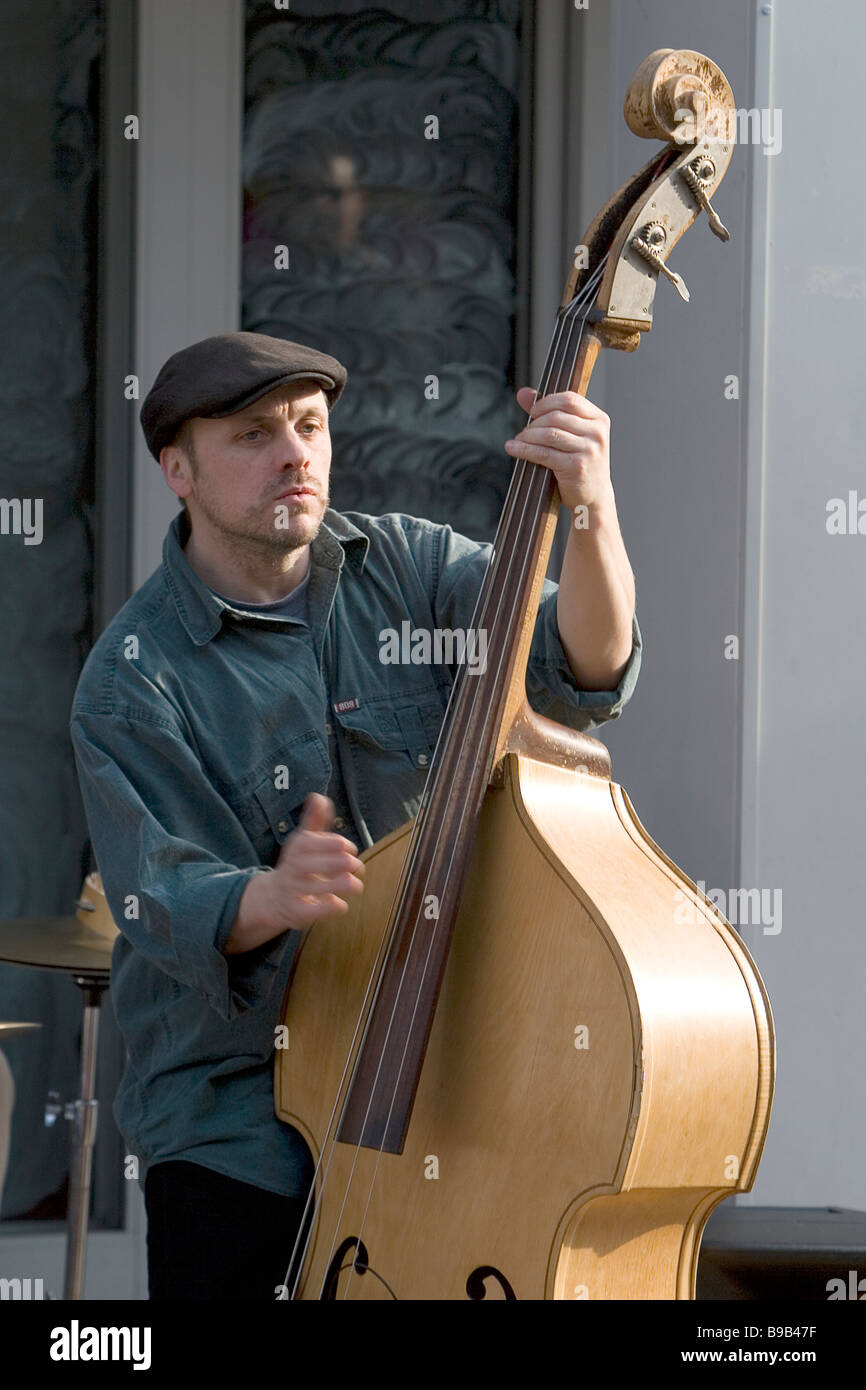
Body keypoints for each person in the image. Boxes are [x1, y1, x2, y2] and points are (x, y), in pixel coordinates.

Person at [70, 331, 642, 1300]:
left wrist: (590, 507)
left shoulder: (411, 566)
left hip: (434, 1072)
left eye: (307, 426)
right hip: (238, 1112)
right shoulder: (134, 680)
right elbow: (162, 900)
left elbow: (582, 664)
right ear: (178, 469)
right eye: (252, 435)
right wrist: (271, 893)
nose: (293, 454)